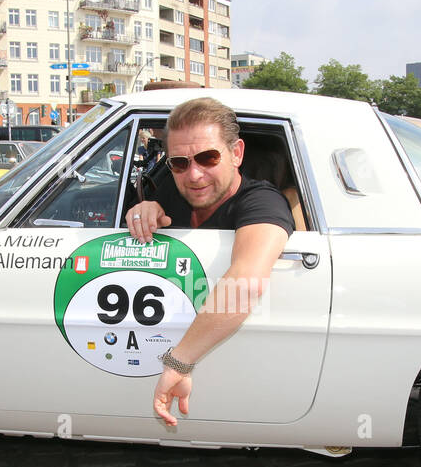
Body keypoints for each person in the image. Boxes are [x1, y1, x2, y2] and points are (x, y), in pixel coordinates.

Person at [123, 97, 294, 425]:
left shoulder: (263, 202)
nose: (194, 175)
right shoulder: (175, 192)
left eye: (208, 157)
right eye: (179, 163)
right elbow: (155, 208)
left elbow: (246, 282)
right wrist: (144, 211)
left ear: (237, 153)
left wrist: (179, 363)